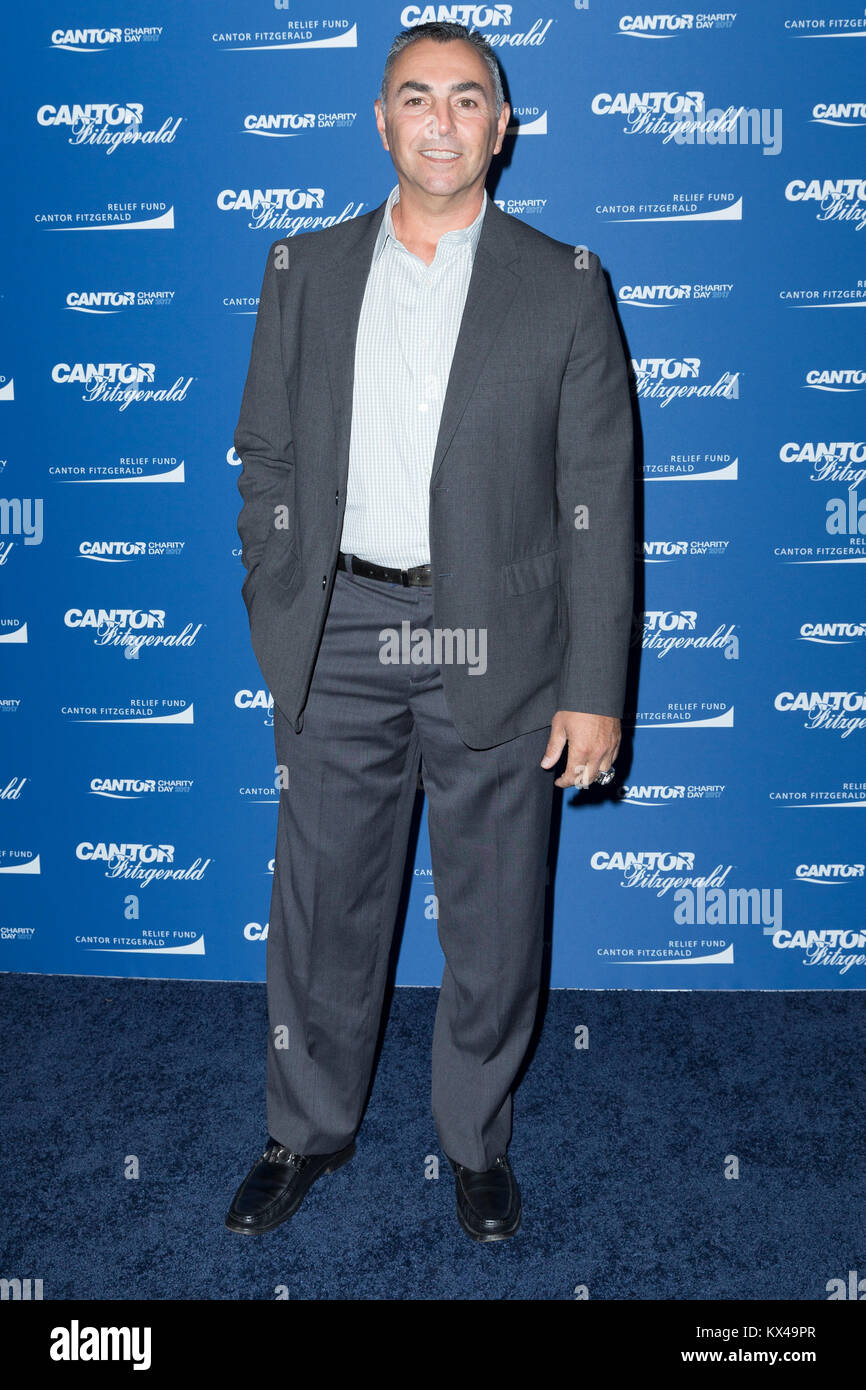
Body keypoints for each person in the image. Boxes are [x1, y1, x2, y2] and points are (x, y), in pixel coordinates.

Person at [227, 20, 634, 1243]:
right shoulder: (301, 268)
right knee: (323, 904)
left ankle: (473, 1140)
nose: (442, 122)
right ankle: (303, 1130)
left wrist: (592, 685)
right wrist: (278, 595)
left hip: (491, 639)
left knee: (495, 905)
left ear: (501, 127)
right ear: (381, 119)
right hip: (343, 625)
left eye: (468, 100)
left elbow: (599, 500)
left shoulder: (563, 282)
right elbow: (266, 456)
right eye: (417, 98)